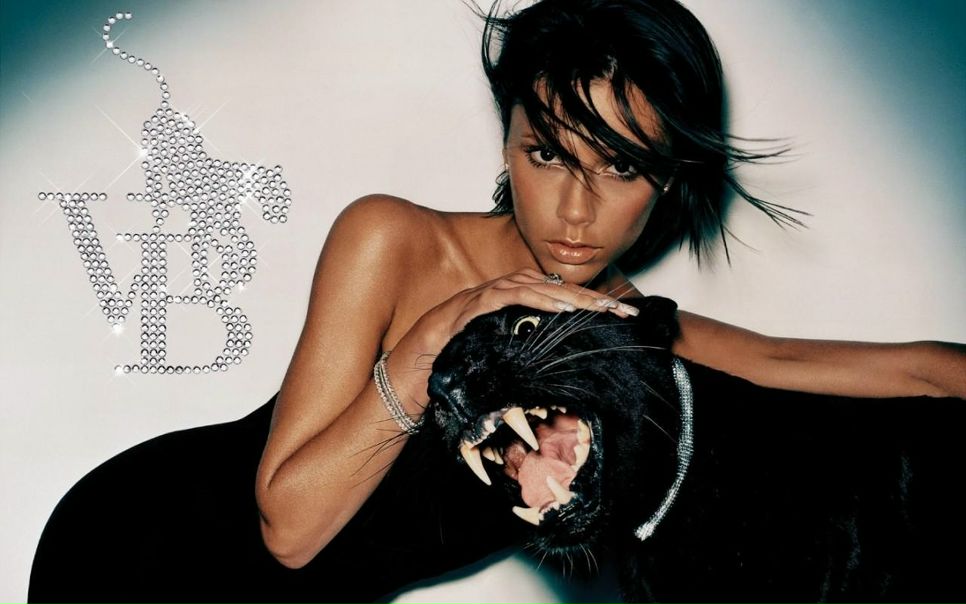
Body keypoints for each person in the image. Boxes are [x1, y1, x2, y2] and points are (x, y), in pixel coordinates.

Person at [29, 0, 965, 602]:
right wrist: (445, 327)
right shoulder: (394, 239)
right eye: (547, 153)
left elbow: (891, 367)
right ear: (507, 139)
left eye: (621, 168)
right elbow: (290, 528)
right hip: (143, 546)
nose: (574, 210)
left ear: (668, 181)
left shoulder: (623, 337)